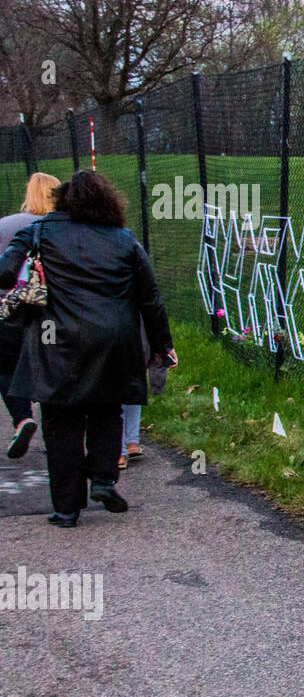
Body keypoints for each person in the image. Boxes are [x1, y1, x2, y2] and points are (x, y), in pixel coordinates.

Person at [0, 171, 176, 527]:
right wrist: (161, 347)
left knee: (60, 420)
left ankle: (66, 509)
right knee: (107, 410)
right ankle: (103, 480)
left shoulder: (39, 231)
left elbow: (4, 273)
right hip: (114, 340)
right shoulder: (125, 240)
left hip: (56, 340)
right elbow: (150, 299)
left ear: (62, 201)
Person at [0, 172, 59, 459]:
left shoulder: (5, 226)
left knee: (5, 367)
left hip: (10, 311)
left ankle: (22, 417)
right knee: (50, 369)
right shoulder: (61, 228)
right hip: (51, 313)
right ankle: (55, 434)